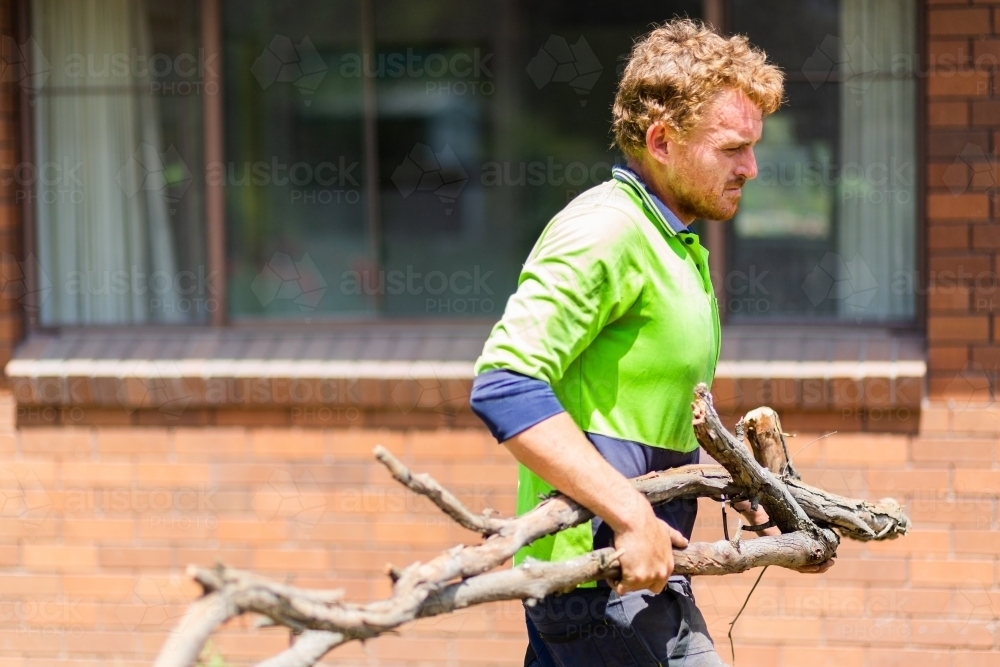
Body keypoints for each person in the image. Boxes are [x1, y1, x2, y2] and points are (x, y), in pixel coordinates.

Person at [470, 18, 832, 667]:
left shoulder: (674, 243)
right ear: (662, 140)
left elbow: (634, 407)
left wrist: (737, 484)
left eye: (754, 146)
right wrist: (631, 514)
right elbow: (504, 383)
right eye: (731, 148)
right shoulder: (606, 230)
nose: (750, 167)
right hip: (604, 585)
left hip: (624, 580)